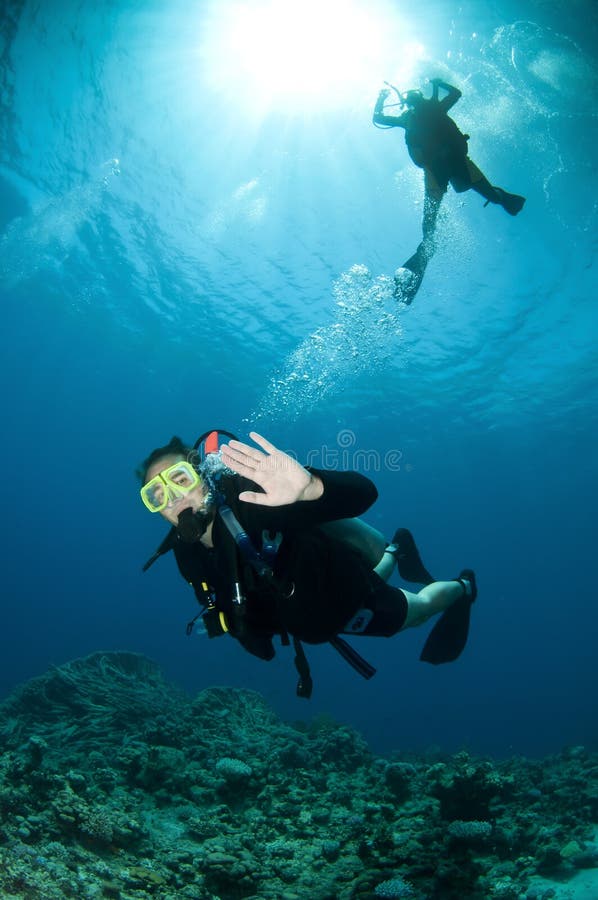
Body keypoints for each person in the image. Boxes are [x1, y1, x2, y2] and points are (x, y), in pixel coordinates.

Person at [139, 429, 477, 697]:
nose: (173, 498)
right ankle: (394, 549)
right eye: (156, 494)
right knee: (383, 575)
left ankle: (464, 586)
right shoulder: (185, 554)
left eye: (180, 479)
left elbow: (364, 493)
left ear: (203, 474)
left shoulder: (253, 504)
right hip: (307, 617)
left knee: (418, 611)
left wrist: (312, 488)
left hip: (343, 594)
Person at [373, 78, 526, 303]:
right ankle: (423, 255)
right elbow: (455, 93)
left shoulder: (424, 112)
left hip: (447, 166)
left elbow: (456, 93)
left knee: (487, 198)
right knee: (431, 223)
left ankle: (501, 199)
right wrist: (438, 83)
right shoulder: (415, 116)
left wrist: (382, 98)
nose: (414, 100)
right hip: (444, 168)